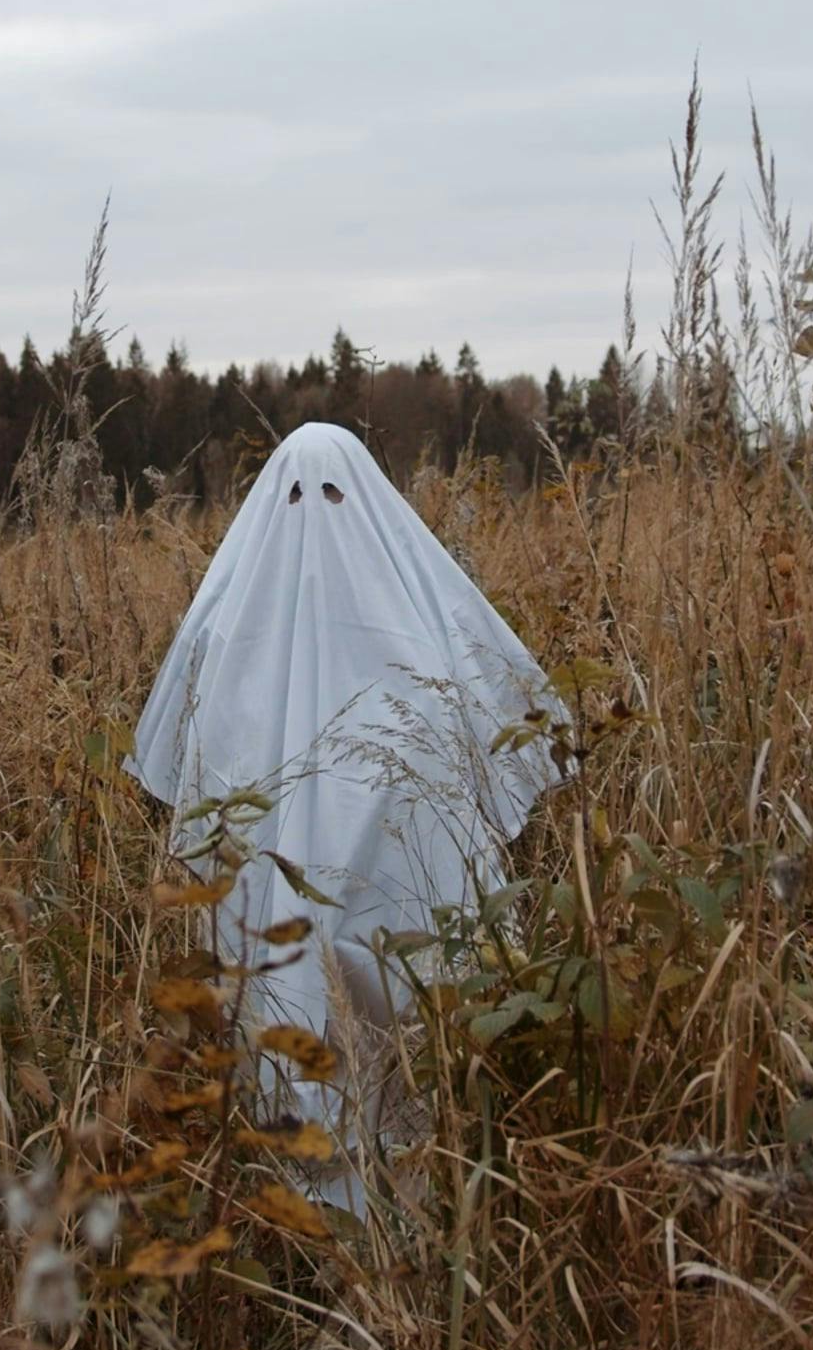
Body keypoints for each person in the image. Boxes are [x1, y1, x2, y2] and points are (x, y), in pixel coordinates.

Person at [128, 420, 565, 1198]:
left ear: (363, 500)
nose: (316, 517)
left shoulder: (420, 618)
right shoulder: (230, 630)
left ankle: (399, 1200)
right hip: (267, 893)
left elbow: (494, 734)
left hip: (405, 884)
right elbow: (202, 767)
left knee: (404, 1049)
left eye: (333, 495)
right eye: (298, 497)